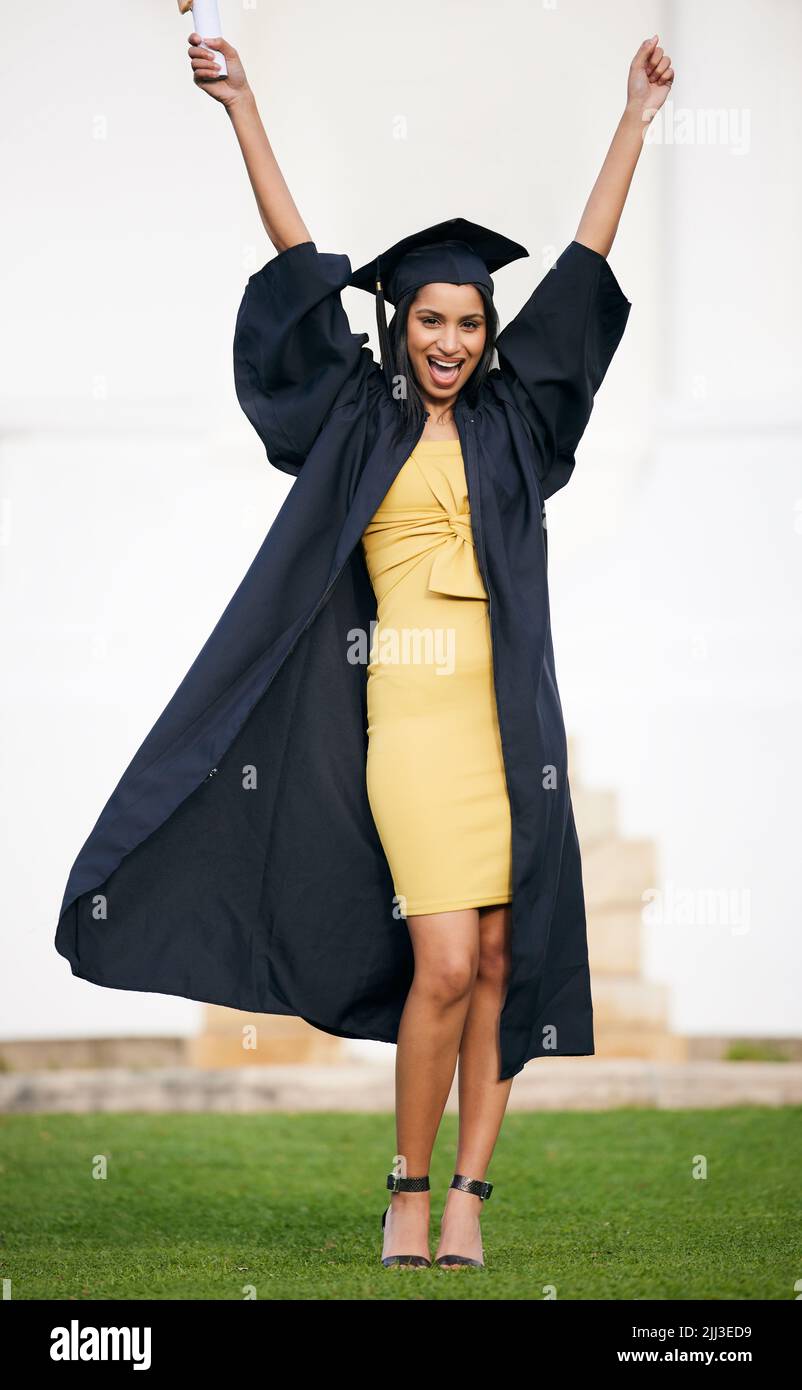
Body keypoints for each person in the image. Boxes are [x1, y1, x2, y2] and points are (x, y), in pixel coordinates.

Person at [55, 27, 672, 1274]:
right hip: (408, 715)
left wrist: (633, 126)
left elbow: (585, 272)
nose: (449, 340)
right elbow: (294, 263)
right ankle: (404, 1180)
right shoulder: (358, 416)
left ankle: (470, 1200)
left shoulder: (513, 429)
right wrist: (242, 112)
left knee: (505, 952)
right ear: (397, 325)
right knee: (442, 957)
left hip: (508, 716)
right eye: (430, 320)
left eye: (469, 323)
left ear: (489, 335)